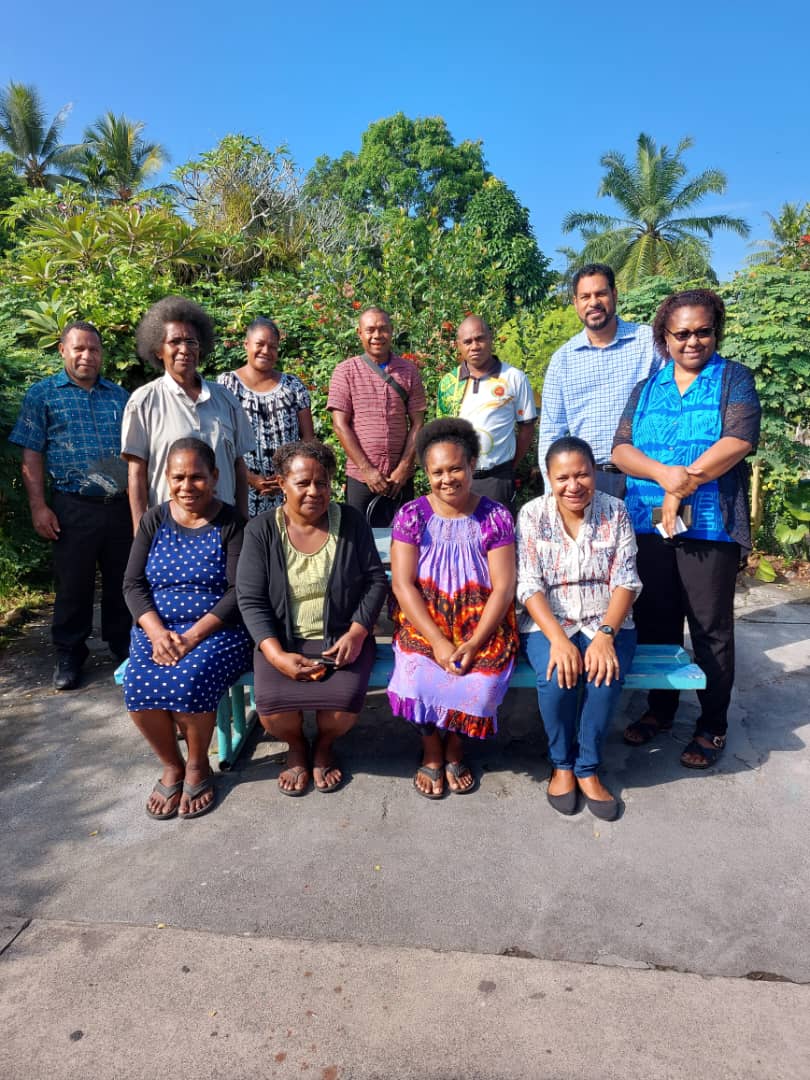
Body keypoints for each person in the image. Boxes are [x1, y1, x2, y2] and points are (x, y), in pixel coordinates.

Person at [612, 288, 761, 769]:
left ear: (715, 331)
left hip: (711, 528)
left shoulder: (733, 379)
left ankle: (712, 724)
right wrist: (664, 477)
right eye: (681, 334)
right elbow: (620, 449)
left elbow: (739, 440)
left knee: (710, 628)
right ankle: (661, 709)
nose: (693, 341)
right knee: (657, 621)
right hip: (648, 525)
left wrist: (685, 486)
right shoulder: (647, 387)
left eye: (703, 331)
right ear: (665, 337)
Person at [236, 440, 389, 795]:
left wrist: (357, 633)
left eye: (322, 482)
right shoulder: (261, 530)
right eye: (302, 483)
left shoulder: (350, 521)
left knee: (341, 710)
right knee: (273, 714)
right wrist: (276, 655)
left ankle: (323, 745)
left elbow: (375, 580)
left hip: (341, 638)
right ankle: (295, 746)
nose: (314, 491)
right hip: (281, 640)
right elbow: (251, 599)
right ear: (282, 483)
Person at [388, 418, 518, 799]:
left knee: (482, 684)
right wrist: (438, 641)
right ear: (427, 474)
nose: (447, 479)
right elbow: (402, 585)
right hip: (425, 624)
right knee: (416, 678)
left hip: (483, 625)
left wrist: (474, 643)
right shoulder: (411, 516)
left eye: (456, 468)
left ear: (472, 465)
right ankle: (432, 748)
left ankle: (456, 747)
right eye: (437, 472)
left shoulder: (495, 517)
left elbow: (504, 587)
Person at [122, 437, 252, 819]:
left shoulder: (232, 523)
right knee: (138, 684)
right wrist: (156, 633)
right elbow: (132, 584)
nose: (187, 486)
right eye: (178, 477)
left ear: (214, 477)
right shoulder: (154, 519)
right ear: (167, 478)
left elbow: (238, 592)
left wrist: (193, 636)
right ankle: (172, 765)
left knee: (189, 679)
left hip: (218, 631)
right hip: (158, 630)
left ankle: (197, 766)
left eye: (197, 477)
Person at [516, 437, 642, 821]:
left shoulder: (615, 511)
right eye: (563, 477)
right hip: (550, 622)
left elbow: (626, 580)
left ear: (594, 473)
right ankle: (562, 764)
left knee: (604, 677)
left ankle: (587, 766)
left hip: (608, 620)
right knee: (556, 678)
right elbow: (528, 585)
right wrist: (557, 639)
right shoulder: (532, 515)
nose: (573, 485)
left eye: (582, 474)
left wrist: (605, 636)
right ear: (549, 478)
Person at [9, 321, 132, 690]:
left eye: (93, 349)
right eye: (79, 348)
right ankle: (69, 653)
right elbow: (32, 453)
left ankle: (124, 647)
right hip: (73, 506)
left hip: (120, 505)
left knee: (123, 580)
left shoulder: (120, 396)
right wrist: (38, 507)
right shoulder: (43, 395)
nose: (86, 356)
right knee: (73, 584)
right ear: (63, 350)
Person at [121, 296, 255, 530]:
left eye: (191, 342)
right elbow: (136, 474)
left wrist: (243, 523)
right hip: (168, 530)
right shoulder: (143, 402)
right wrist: (141, 532)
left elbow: (238, 467)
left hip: (224, 528)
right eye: (175, 341)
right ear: (159, 350)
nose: (184, 350)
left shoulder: (225, 400)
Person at [538, 263, 660, 496]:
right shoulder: (563, 360)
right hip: (589, 482)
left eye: (600, 294)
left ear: (614, 294)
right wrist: (551, 493)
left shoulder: (649, 343)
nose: (593, 302)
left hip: (646, 475)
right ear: (576, 303)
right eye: (585, 296)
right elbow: (551, 433)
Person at [327, 306, 426, 526]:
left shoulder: (409, 371)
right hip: (361, 477)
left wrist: (403, 468)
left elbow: (418, 423)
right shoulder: (345, 371)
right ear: (359, 333)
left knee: (404, 537)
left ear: (391, 331)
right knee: (359, 538)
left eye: (383, 329)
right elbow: (340, 425)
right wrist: (367, 470)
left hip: (400, 479)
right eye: (370, 330)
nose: (377, 335)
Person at [216, 317, 314, 517]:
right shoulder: (226, 385)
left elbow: (308, 440)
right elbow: (221, 441)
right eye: (259, 344)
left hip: (288, 488)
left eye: (273, 347)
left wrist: (290, 477)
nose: (266, 351)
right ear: (246, 344)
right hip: (241, 488)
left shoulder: (293, 386)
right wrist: (250, 478)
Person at [436, 315, 537, 509]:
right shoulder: (448, 383)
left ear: (490, 338)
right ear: (459, 345)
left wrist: (508, 467)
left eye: (480, 339)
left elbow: (527, 428)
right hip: (457, 481)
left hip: (497, 479)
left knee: (498, 529)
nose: (474, 346)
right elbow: (442, 437)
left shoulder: (514, 378)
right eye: (467, 342)